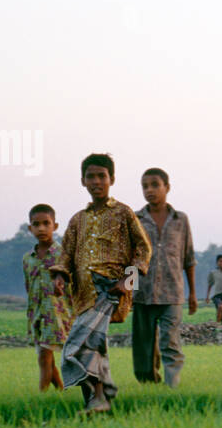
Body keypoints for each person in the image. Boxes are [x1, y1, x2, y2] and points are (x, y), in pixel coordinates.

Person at [50, 153, 152, 414]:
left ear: (112, 179)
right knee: (95, 343)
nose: (96, 181)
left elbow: (143, 249)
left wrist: (127, 281)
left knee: (79, 344)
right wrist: (60, 277)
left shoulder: (123, 213)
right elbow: (66, 255)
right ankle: (97, 399)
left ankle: (98, 398)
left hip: (110, 289)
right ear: (83, 181)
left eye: (101, 176)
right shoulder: (77, 220)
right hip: (82, 293)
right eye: (91, 177)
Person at [132, 167, 196, 387]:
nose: (149, 190)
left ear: (167, 187)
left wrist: (193, 293)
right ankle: (149, 384)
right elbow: (129, 257)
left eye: (154, 185)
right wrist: (129, 290)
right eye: (145, 186)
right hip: (142, 292)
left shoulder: (181, 220)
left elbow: (188, 257)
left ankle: (172, 387)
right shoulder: (135, 219)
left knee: (171, 343)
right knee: (143, 347)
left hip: (172, 291)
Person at [22, 203, 74, 391]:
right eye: (36, 224)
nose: (41, 228)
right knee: (47, 358)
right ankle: (61, 390)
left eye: (46, 223)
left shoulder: (64, 255)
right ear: (30, 228)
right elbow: (28, 286)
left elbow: (73, 284)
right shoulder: (28, 258)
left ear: (55, 226)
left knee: (44, 356)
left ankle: (41, 395)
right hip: (37, 315)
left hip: (57, 314)